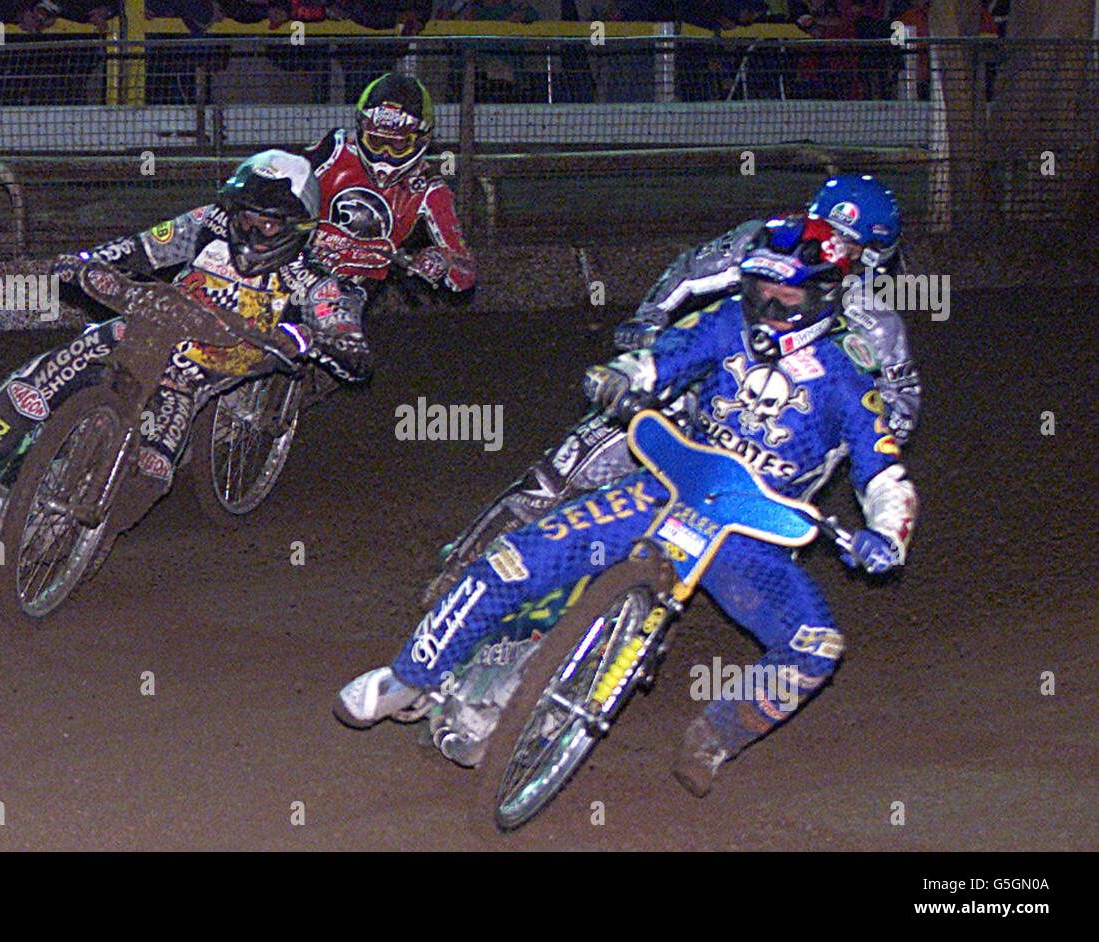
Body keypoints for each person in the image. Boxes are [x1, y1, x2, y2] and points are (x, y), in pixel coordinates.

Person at [335, 235, 918, 797]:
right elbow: (665, 358)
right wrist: (625, 375)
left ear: (822, 296)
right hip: (664, 484)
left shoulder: (847, 380)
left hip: (750, 531)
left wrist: (886, 533)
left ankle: (716, 736)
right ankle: (408, 678)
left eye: (785, 296)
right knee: (514, 558)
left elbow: (883, 469)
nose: (766, 305)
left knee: (815, 646)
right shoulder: (723, 323)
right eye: (759, 288)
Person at [421, 173, 918, 605]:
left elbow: (898, 405)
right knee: (565, 469)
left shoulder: (876, 324)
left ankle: (611, 633)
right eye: (825, 228)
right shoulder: (758, 244)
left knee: (722, 559)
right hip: (686, 396)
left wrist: (849, 439)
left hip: (767, 454)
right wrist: (648, 321)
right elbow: (691, 272)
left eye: (846, 244)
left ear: (872, 257)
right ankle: (463, 565)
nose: (828, 246)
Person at [0, 150, 371, 542]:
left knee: (151, 472)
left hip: (188, 380)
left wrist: (338, 344)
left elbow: (341, 322)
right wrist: (86, 262)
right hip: (140, 332)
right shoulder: (207, 223)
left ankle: (72, 542)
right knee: (36, 383)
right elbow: (141, 247)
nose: (250, 232)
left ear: (296, 227)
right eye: (244, 217)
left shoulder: (311, 280)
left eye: (267, 225)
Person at [302, 72, 476, 295]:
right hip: (287, 266)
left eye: (398, 145)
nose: (385, 154)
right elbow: (279, 185)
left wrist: (442, 260)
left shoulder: (429, 190)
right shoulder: (333, 150)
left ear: (421, 140)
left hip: (341, 296)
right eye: (376, 141)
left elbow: (464, 273)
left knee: (342, 328)